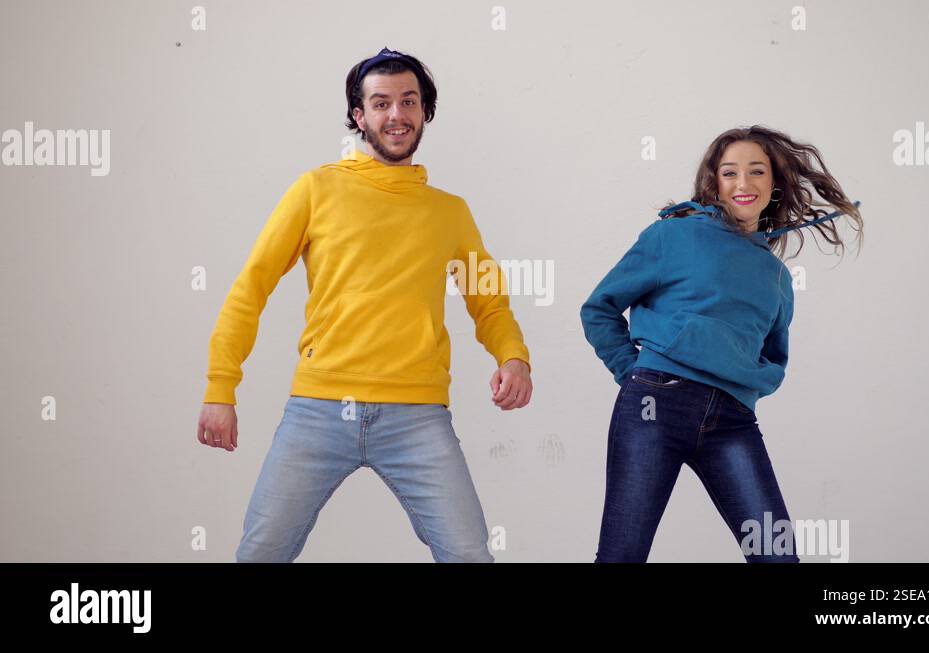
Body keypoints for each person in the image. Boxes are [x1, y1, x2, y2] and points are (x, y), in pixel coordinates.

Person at [197, 47, 532, 563]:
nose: (395, 115)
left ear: (424, 112)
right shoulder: (316, 190)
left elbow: (488, 302)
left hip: (417, 415)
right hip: (318, 408)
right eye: (380, 104)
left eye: (408, 102)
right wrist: (221, 387)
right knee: (260, 553)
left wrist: (513, 357)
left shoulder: (450, 212)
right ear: (359, 115)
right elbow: (251, 287)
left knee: (469, 554)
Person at [580, 125, 863, 562]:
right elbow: (599, 308)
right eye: (730, 173)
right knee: (621, 556)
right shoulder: (673, 236)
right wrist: (634, 373)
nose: (743, 184)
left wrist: (745, 383)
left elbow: (773, 355)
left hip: (732, 421)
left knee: (777, 556)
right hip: (655, 406)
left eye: (756, 171)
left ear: (775, 183)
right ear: (714, 182)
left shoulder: (776, 276)